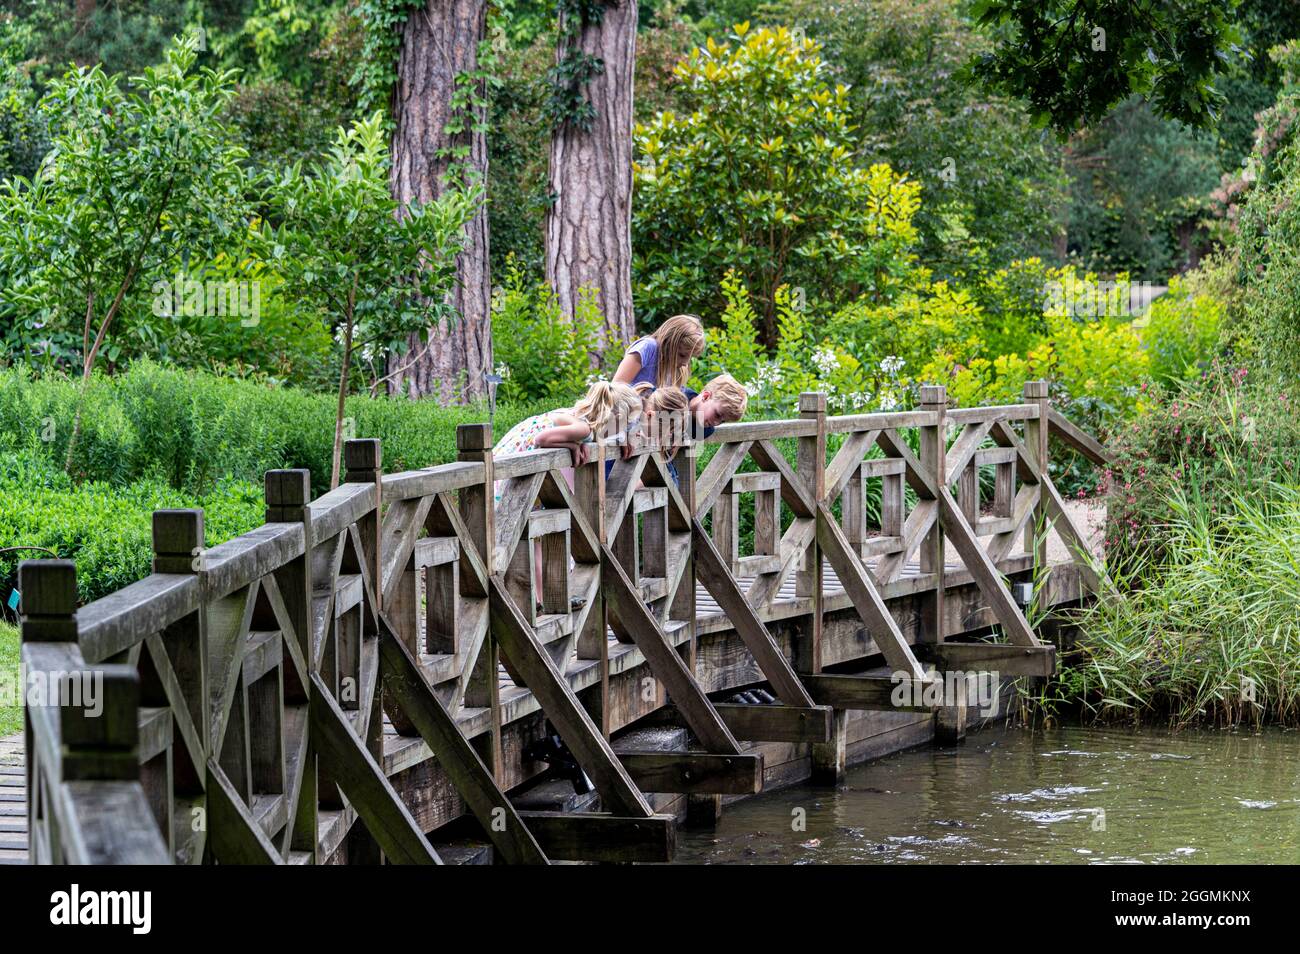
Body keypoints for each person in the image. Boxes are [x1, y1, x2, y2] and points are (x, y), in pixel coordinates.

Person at [612, 314, 706, 391]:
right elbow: (615, 389)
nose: (685, 363)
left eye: (690, 358)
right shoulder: (647, 347)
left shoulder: (679, 370)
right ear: (668, 343)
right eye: (682, 355)